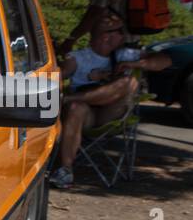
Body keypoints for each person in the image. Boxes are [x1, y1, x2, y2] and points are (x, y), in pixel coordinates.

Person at [50, 15, 170, 188]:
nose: (125, 36)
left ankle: (69, 99)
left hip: (111, 114)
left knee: (129, 82)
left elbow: (165, 61)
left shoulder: (126, 55)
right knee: (76, 107)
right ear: (106, 36)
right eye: (121, 32)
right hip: (86, 116)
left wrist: (135, 65)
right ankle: (65, 170)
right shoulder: (77, 58)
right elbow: (56, 78)